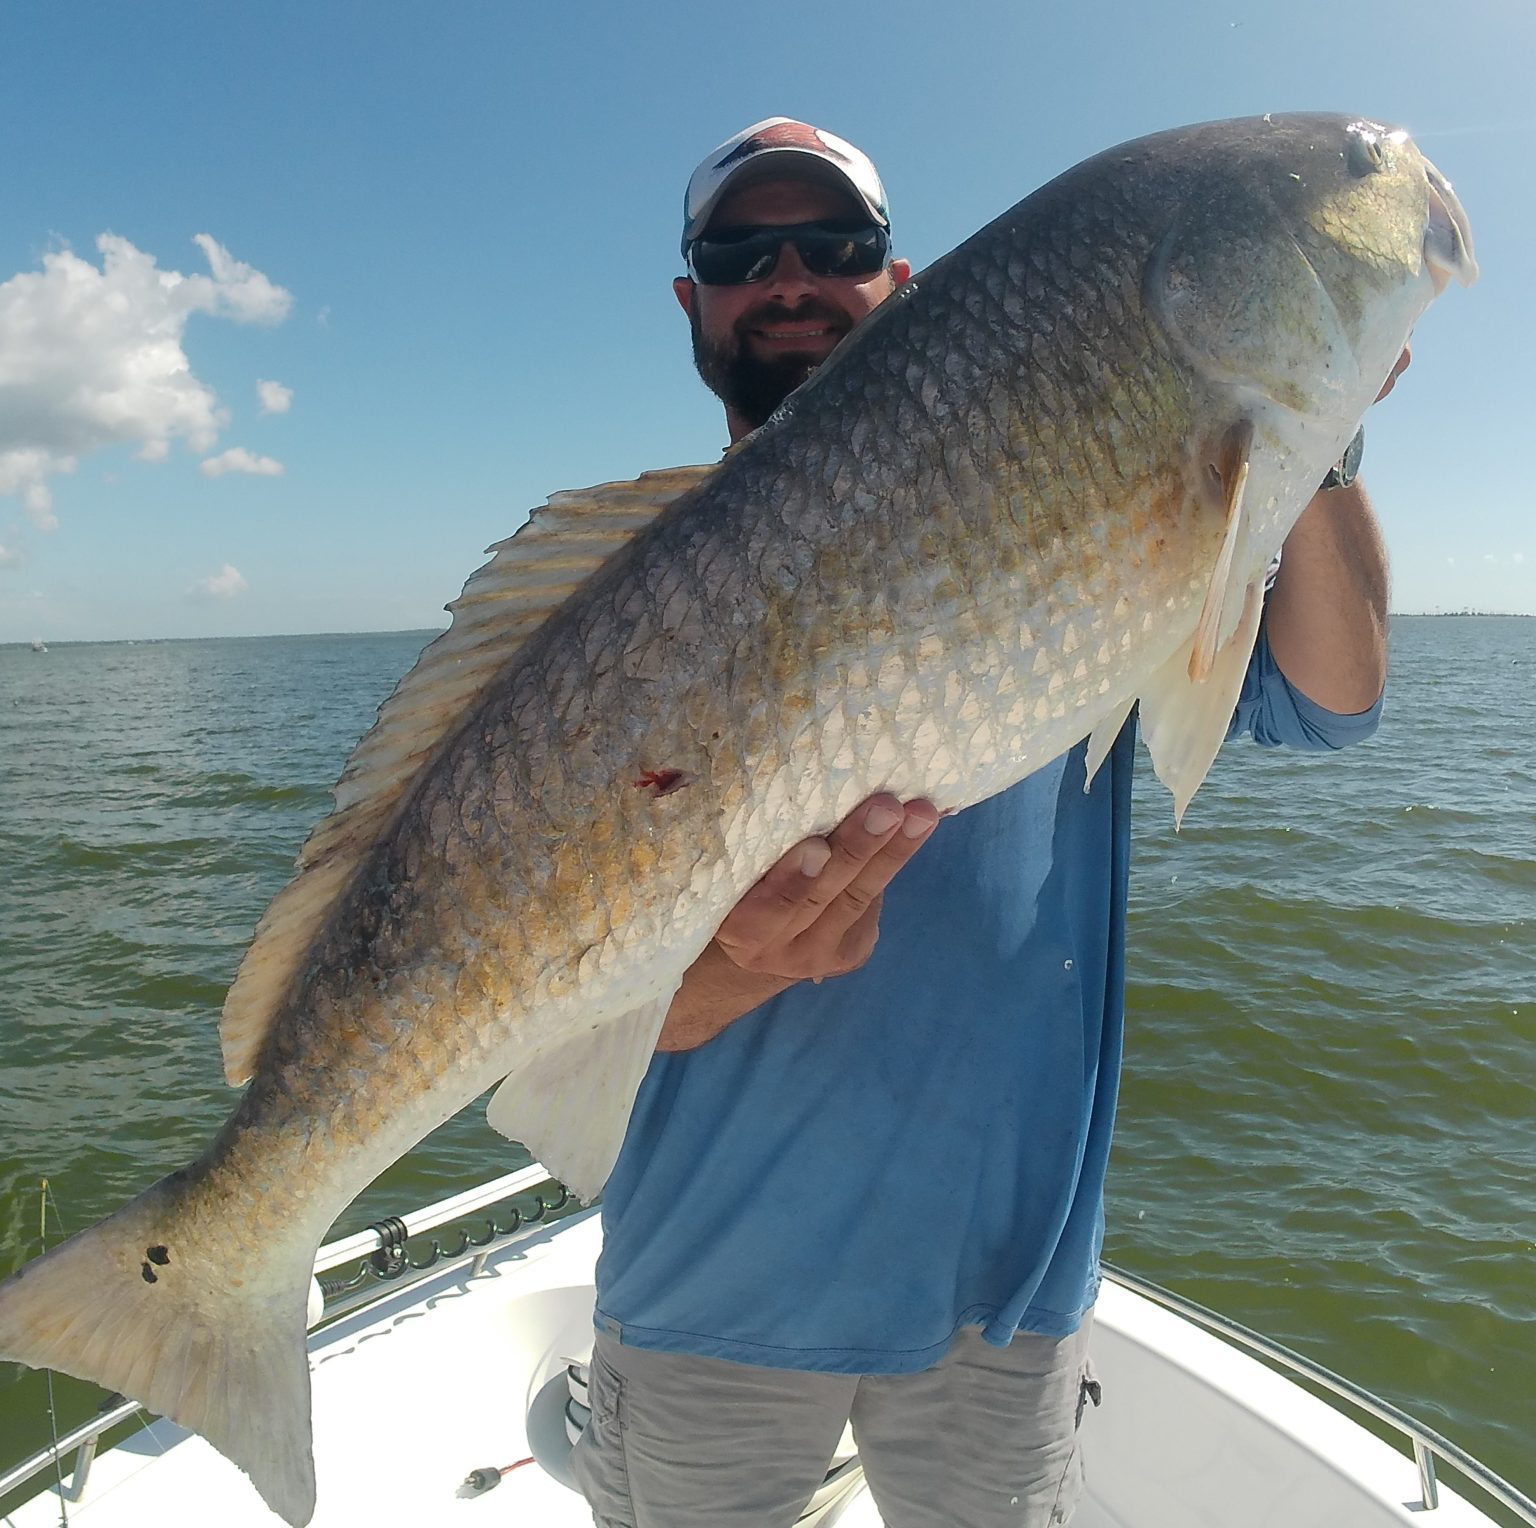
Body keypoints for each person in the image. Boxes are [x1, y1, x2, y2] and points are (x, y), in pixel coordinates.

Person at [571, 118, 1396, 1528]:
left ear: (901, 284)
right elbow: (529, 1014)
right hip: (711, 1300)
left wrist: (1297, 424)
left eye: (836, 247)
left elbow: (1330, 699)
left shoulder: (1088, 521)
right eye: (740, 252)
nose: (791, 277)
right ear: (690, 299)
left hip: (1006, 1305)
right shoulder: (626, 639)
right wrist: (732, 970)